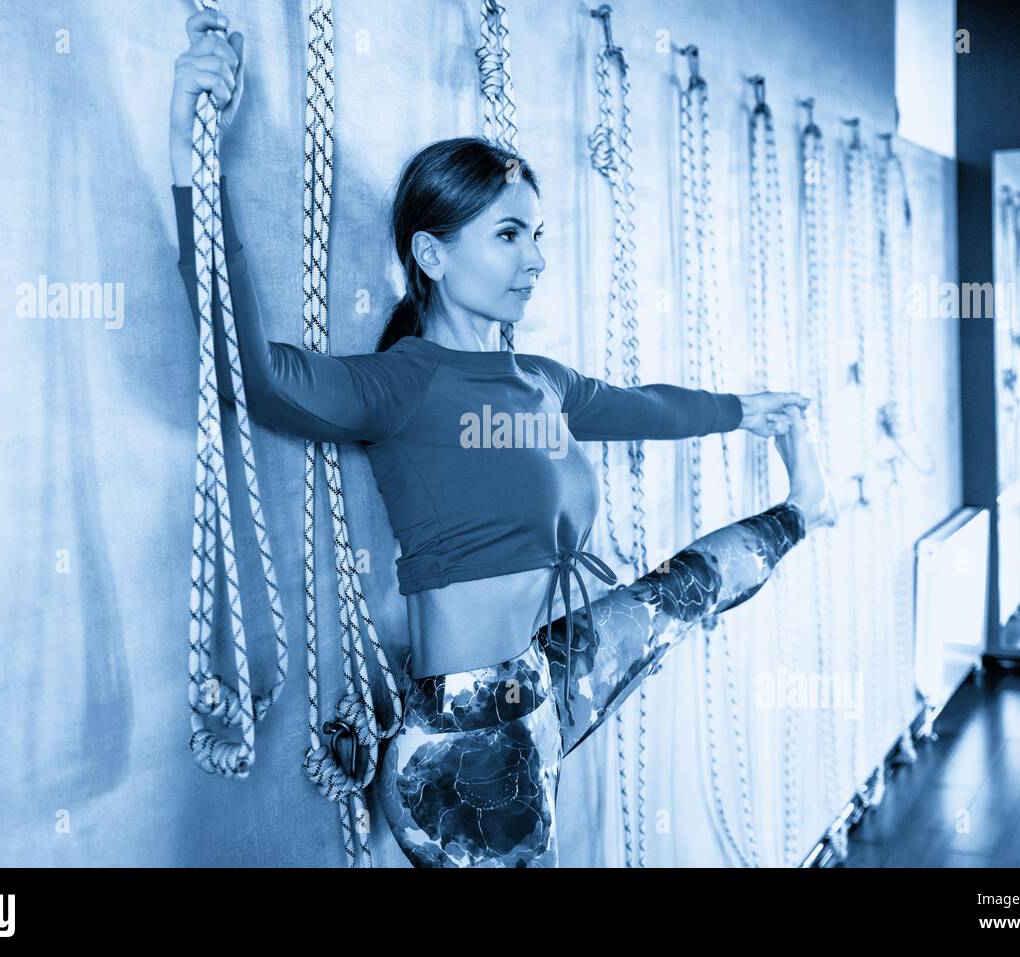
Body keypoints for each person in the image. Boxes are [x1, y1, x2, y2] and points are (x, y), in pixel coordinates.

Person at [169, 9, 837, 866]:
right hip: (466, 745)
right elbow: (249, 373)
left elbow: (645, 408)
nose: (534, 259)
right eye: (509, 235)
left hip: (546, 675)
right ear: (433, 256)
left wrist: (744, 409)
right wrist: (196, 155)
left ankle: (805, 507)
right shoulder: (404, 384)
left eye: (538, 235)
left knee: (687, 590)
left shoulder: (541, 380)